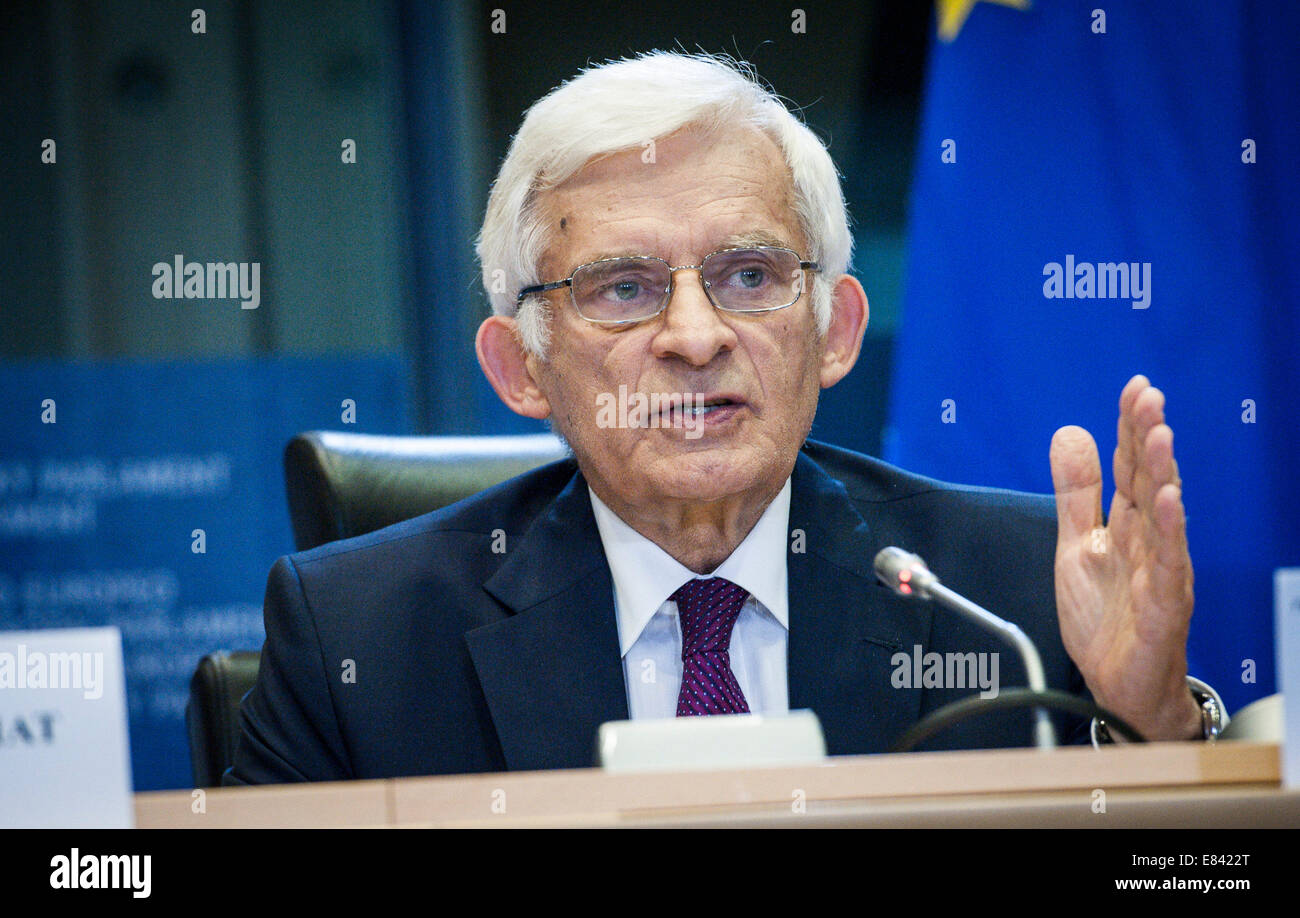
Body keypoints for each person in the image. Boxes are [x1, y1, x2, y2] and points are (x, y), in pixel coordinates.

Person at [227, 52, 1221, 784]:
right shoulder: (358, 642)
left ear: (833, 332)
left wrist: (1152, 730)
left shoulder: (1016, 598)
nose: (695, 337)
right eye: (622, 287)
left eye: (750, 276)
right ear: (519, 367)